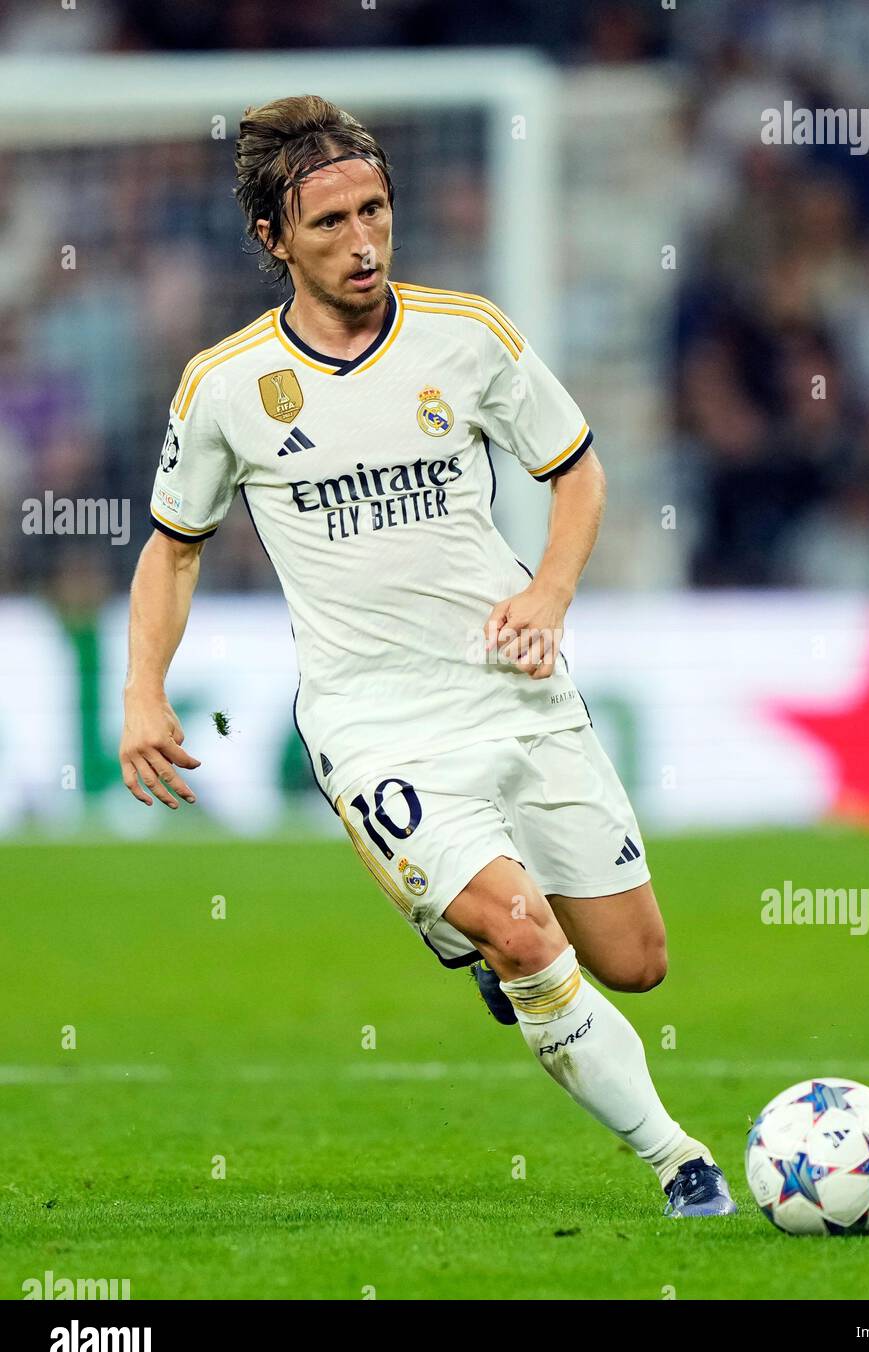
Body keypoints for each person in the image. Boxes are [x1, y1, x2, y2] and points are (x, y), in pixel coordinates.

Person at [119, 95, 736, 1219]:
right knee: (524, 932)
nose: (363, 242)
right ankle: (679, 1161)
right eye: (330, 224)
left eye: (376, 211)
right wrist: (143, 692)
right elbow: (174, 549)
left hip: (512, 688)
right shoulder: (226, 387)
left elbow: (577, 472)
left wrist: (548, 594)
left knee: (635, 960)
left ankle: (492, 953)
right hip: (374, 723)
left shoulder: (468, 335)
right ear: (272, 238)